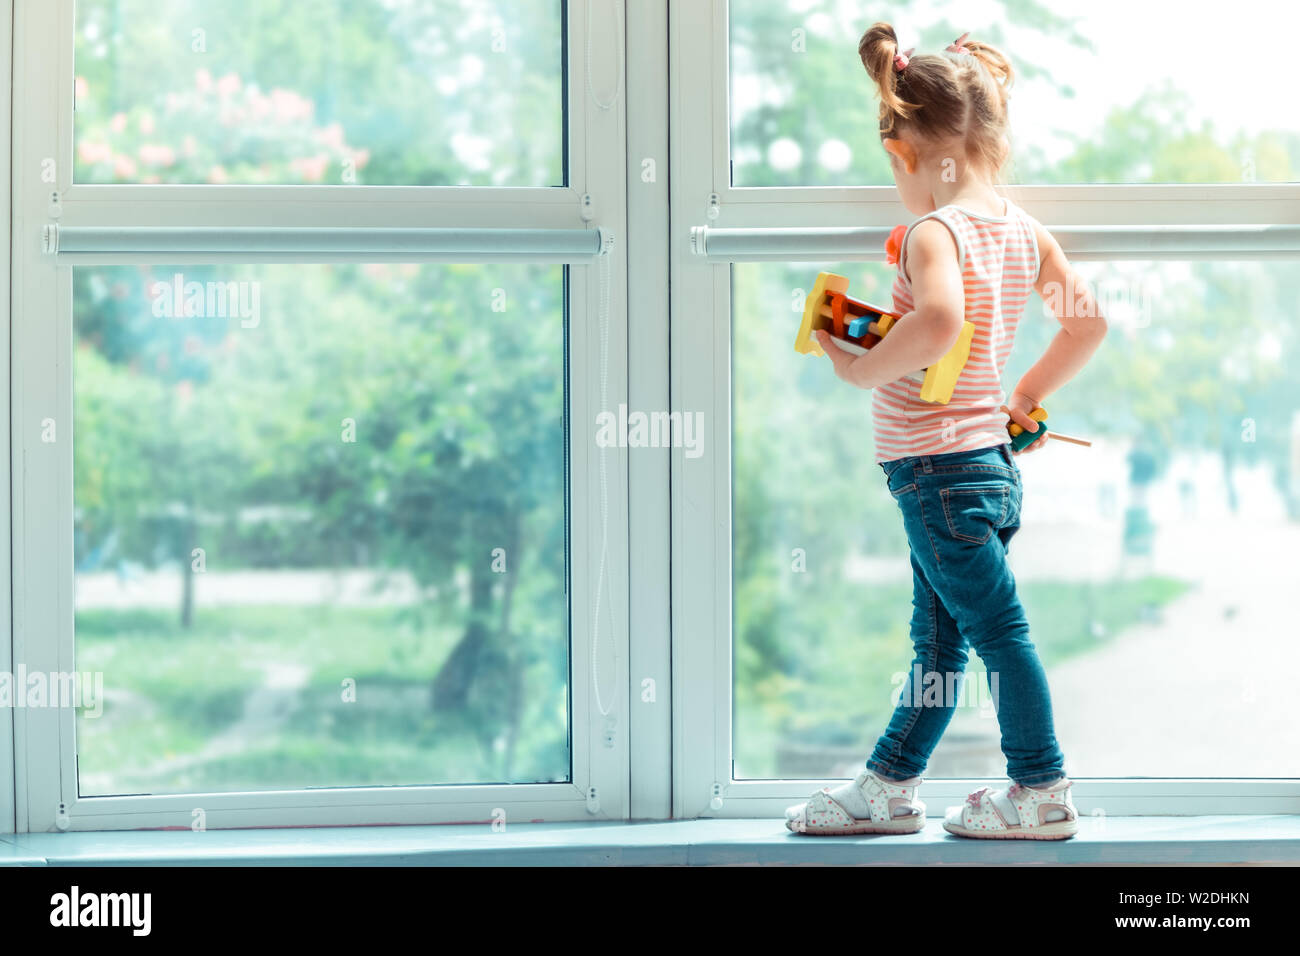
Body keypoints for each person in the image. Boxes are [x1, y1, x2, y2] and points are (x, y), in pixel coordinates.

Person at [785, 23, 1108, 839]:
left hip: (937, 475)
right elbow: (1088, 323)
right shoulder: (1022, 232)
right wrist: (1023, 395)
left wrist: (859, 366)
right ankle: (889, 786)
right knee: (940, 649)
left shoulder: (935, 232)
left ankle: (1042, 791)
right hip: (985, 468)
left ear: (908, 154)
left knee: (998, 634)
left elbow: (935, 321)